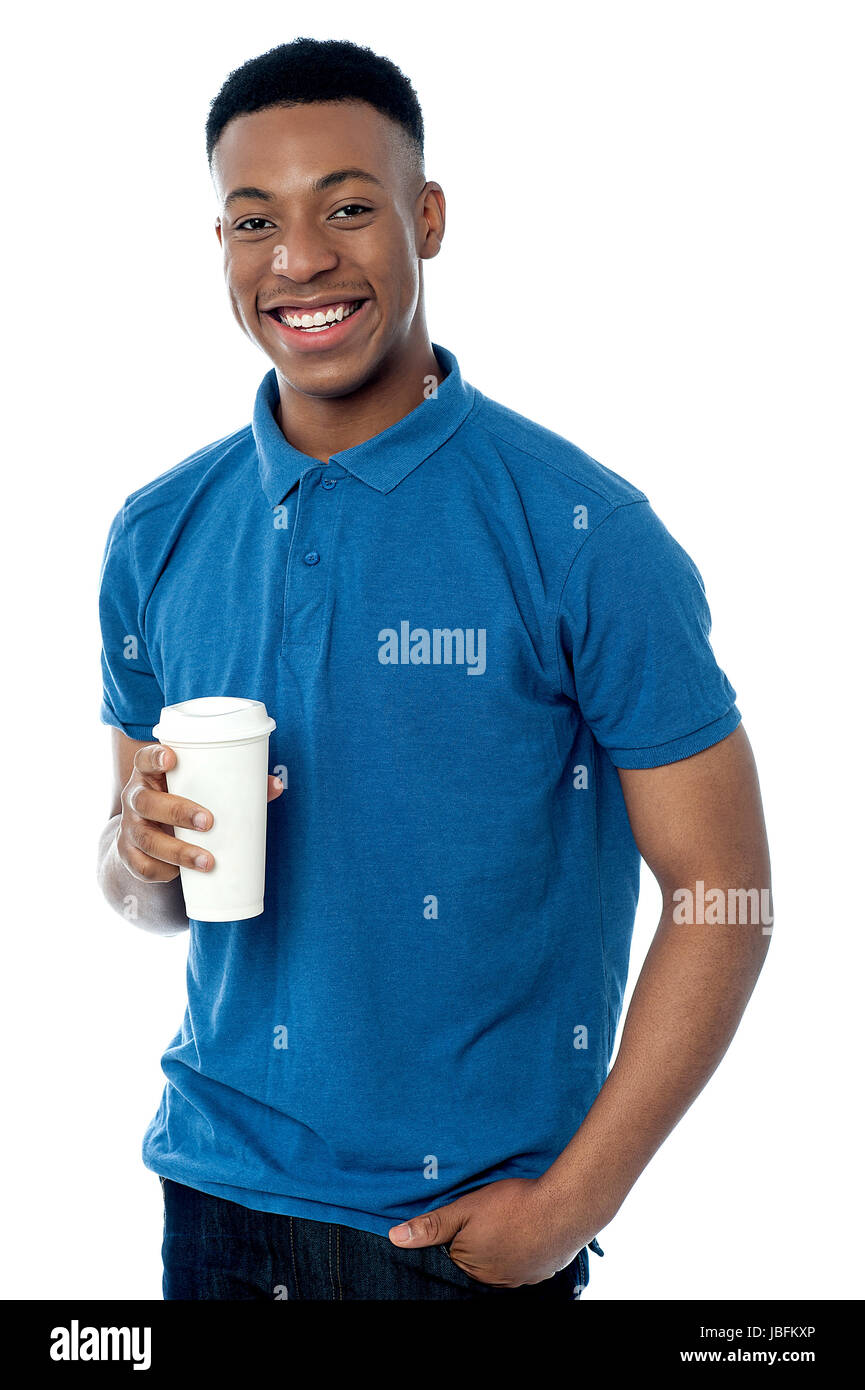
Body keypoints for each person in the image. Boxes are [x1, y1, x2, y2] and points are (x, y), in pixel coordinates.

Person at [96, 36, 772, 1302]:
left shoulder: (580, 532)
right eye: (254, 221)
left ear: (427, 218)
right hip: (212, 1201)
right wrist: (135, 856)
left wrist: (566, 1211)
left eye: (347, 207)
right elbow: (145, 890)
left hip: (459, 1240)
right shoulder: (158, 531)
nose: (298, 259)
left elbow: (724, 892)